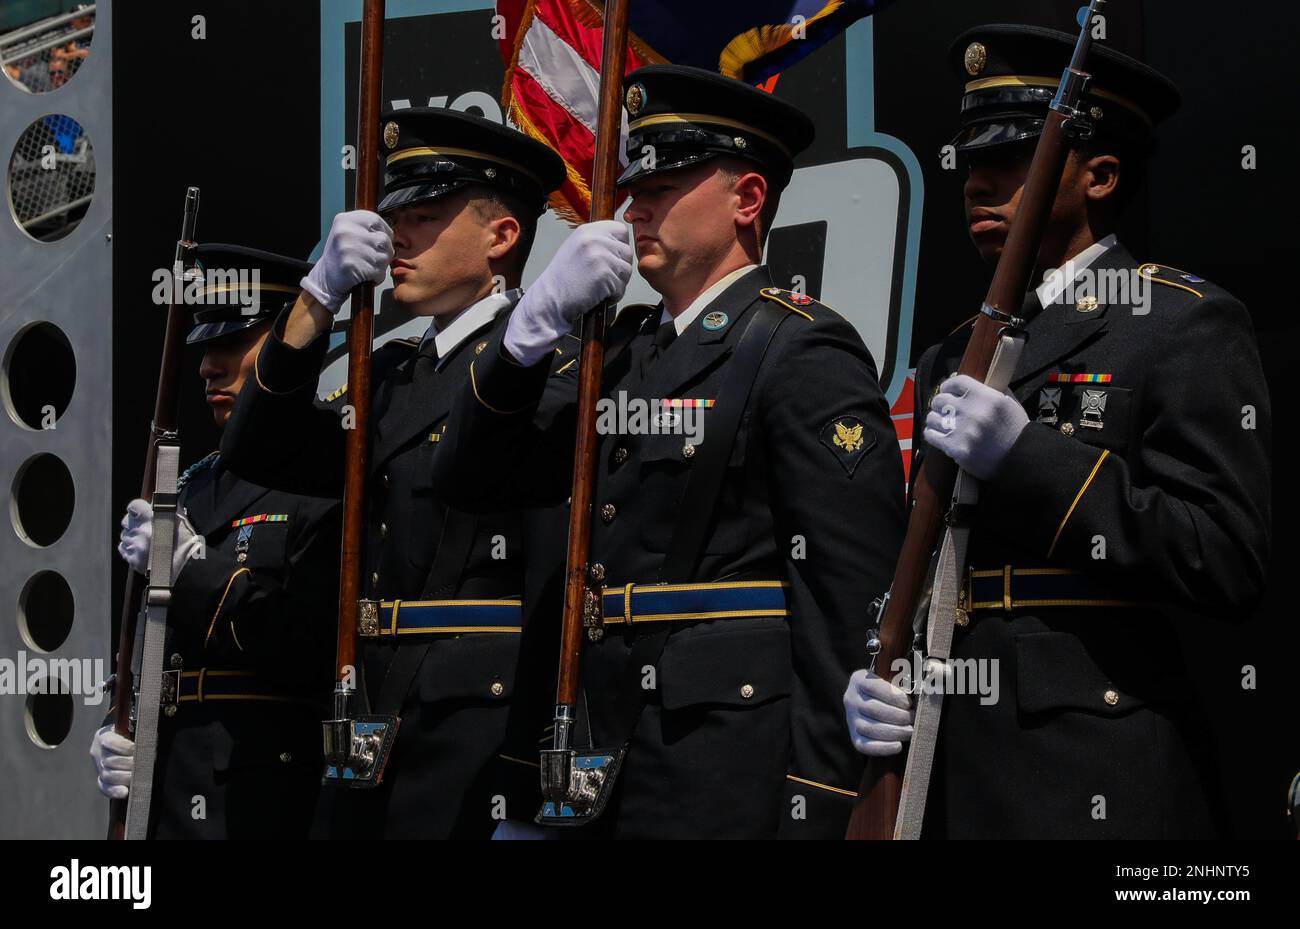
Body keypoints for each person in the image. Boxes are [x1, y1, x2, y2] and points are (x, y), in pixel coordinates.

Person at [434, 64, 906, 838]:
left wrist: (820, 799)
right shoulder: (610, 355)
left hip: (720, 762)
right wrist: (524, 338)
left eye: (668, 182)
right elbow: (471, 476)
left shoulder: (799, 348)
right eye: (633, 186)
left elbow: (846, 600)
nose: (634, 204)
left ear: (748, 199)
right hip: (594, 757)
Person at [844, 23, 1271, 838]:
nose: (977, 183)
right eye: (971, 163)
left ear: (1100, 175)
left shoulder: (1180, 322)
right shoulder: (952, 353)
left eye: (1010, 161)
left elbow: (1226, 557)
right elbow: (929, 554)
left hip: (1092, 766)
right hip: (955, 756)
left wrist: (1032, 457)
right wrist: (880, 664)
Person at [219, 108, 567, 838]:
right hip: (370, 723)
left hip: (476, 735)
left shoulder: (546, 368)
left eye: (427, 215)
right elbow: (258, 447)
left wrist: (532, 782)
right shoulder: (394, 374)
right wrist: (317, 299)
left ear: (502, 236)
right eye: (394, 213)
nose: (396, 235)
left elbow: (551, 591)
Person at [91, 245, 342, 838]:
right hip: (171, 783)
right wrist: (119, 723)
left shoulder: (328, 471)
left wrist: (191, 572)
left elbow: (307, 646)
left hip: (262, 795)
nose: (209, 367)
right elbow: (151, 643)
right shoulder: (191, 483)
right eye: (205, 349)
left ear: (289, 346)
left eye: (233, 345)